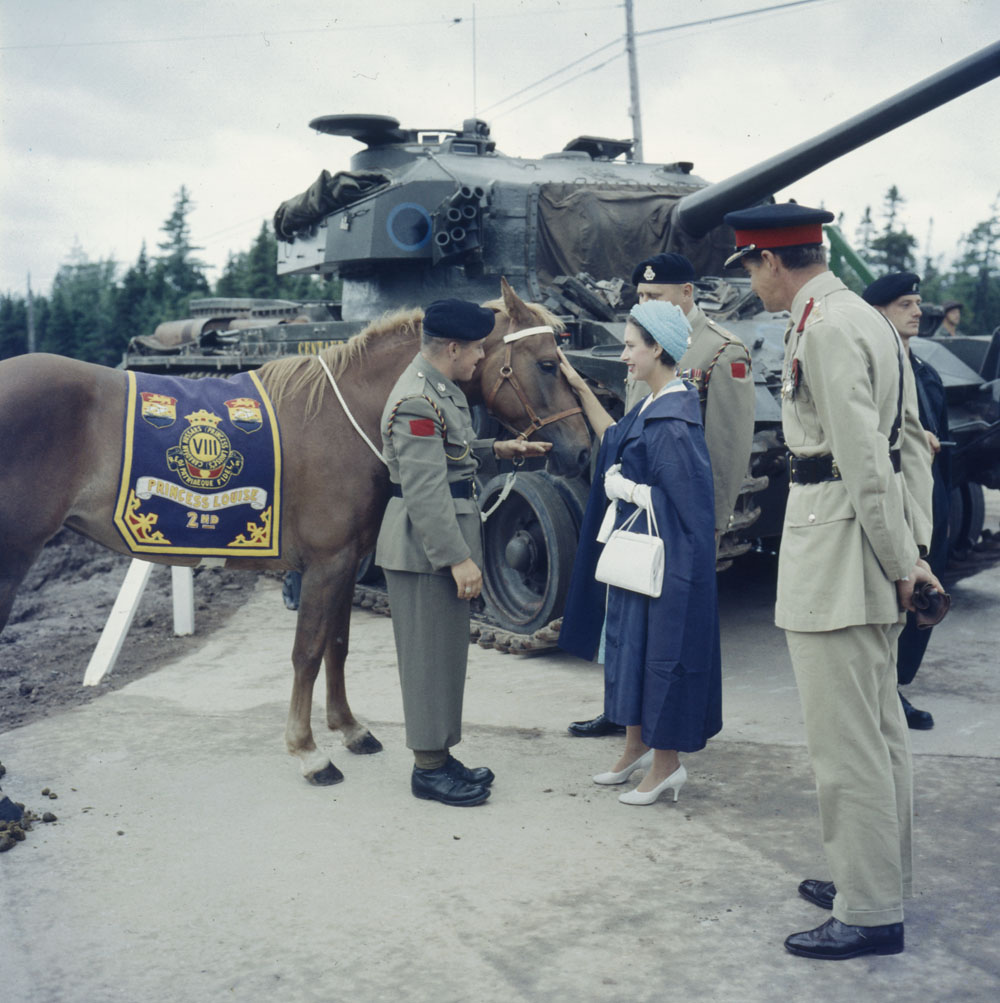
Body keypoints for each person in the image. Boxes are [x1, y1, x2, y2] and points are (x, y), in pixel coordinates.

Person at [724, 202, 940, 960]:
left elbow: (864, 457)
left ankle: (870, 909)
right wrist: (916, 547)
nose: (752, 285)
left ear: (771, 260)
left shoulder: (824, 328)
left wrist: (902, 562)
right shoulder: (866, 318)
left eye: (751, 268)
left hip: (840, 552)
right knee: (879, 732)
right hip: (868, 546)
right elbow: (909, 446)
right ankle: (877, 876)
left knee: (846, 745)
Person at [567, 252, 754, 739]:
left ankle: (656, 726)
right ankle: (622, 709)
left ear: (686, 293)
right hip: (636, 506)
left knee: (667, 625)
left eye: (656, 294)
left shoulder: (721, 351)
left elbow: (728, 448)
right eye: (641, 295)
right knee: (627, 613)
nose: (644, 302)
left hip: (679, 513)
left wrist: (714, 525)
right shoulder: (642, 339)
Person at [376, 299, 551, 806]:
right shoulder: (417, 400)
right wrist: (457, 558)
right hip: (425, 547)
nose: (481, 356)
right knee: (428, 659)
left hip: (433, 541)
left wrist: (499, 450)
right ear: (452, 348)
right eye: (476, 348)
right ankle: (428, 771)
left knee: (444, 656)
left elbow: (447, 452)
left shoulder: (436, 388)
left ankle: (439, 754)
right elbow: (425, 489)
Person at [558, 300, 722, 806]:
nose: (625, 356)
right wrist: (578, 385)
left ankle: (667, 765)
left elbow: (690, 507)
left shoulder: (673, 421)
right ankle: (635, 747)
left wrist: (628, 490)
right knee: (630, 650)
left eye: (631, 347)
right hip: (640, 558)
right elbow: (616, 438)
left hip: (665, 566)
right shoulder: (655, 405)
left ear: (658, 349)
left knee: (660, 656)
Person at [863, 272, 952, 730]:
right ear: (877, 311)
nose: (918, 311)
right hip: (891, 494)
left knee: (924, 594)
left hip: (927, 494)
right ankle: (886, 693)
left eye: (918, 302)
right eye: (905, 304)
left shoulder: (925, 371)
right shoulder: (873, 367)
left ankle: (898, 686)